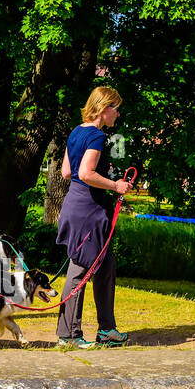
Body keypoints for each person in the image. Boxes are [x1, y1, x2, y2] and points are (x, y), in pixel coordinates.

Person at [54, 86, 132, 348]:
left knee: (105, 266)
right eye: (116, 108)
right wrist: (115, 185)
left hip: (77, 205)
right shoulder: (97, 136)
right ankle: (68, 335)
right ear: (104, 107)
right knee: (80, 270)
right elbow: (86, 173)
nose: (118, 114)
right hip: (88, 210)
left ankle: (107, 330)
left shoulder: (76, 132)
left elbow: (67, 172)